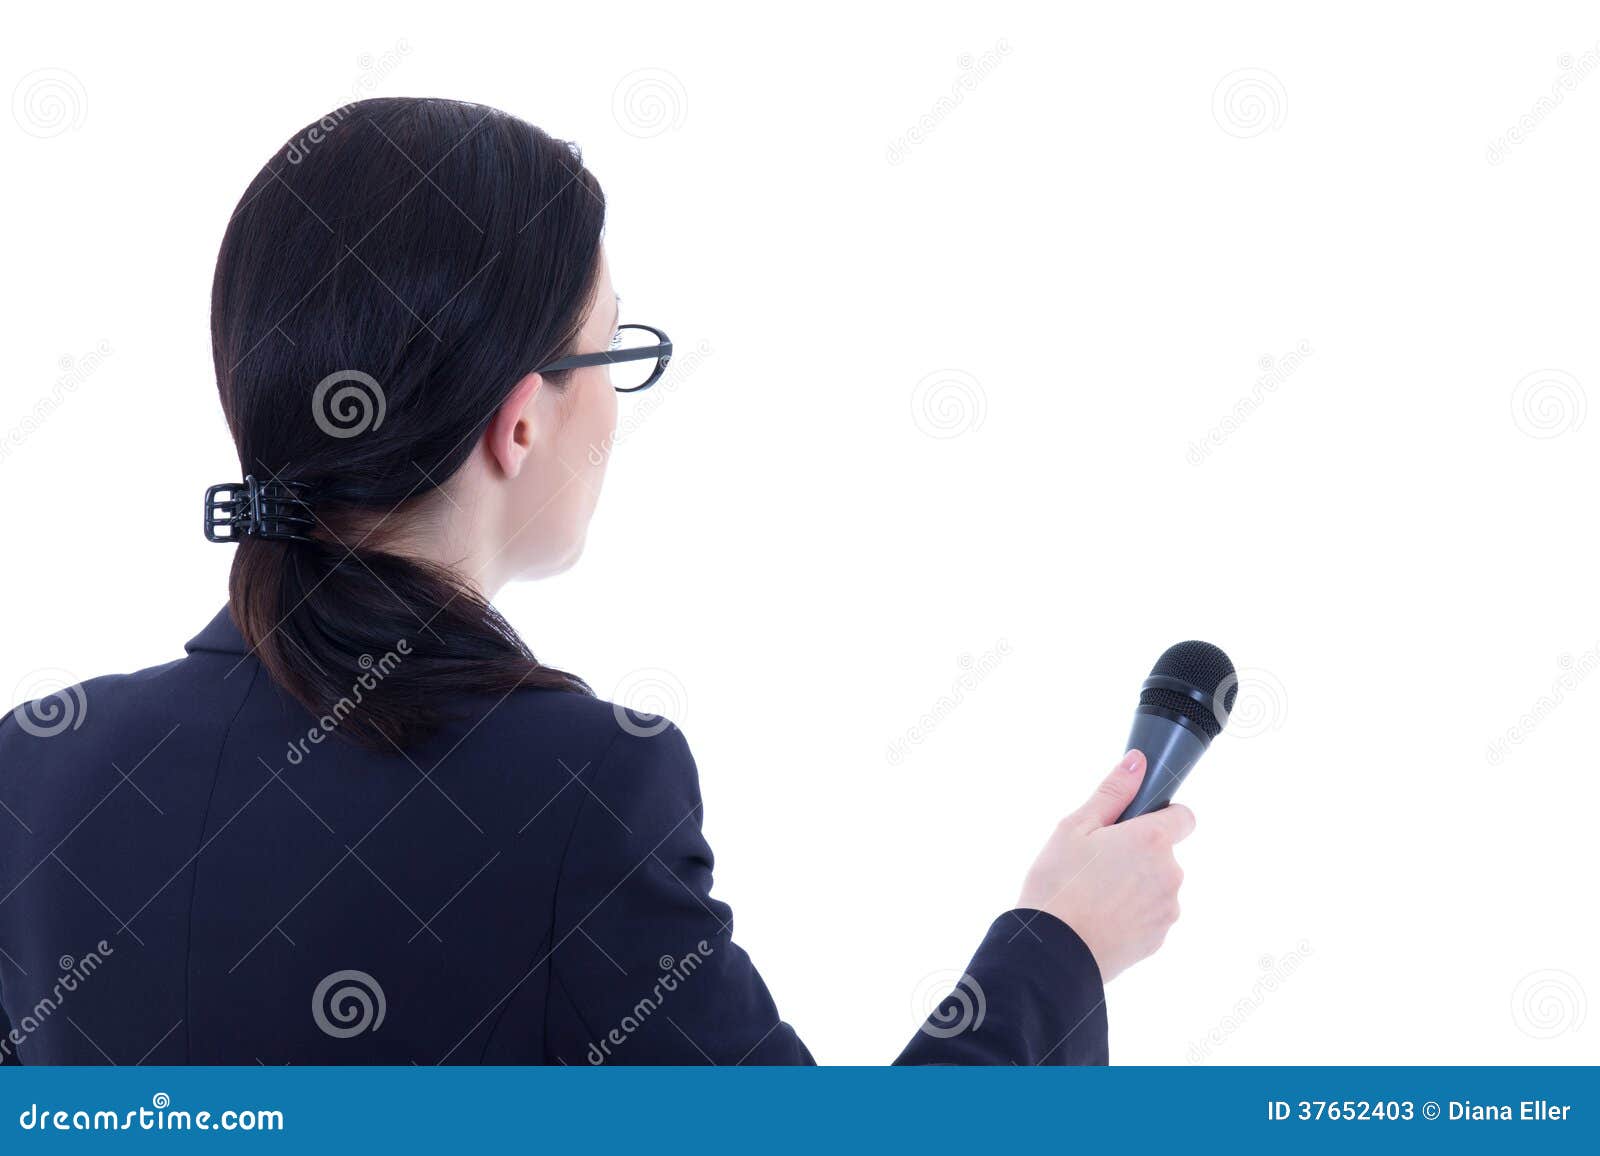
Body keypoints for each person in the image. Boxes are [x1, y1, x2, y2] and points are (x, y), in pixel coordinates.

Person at [0, 97, 1190, 1065]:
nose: (617, 405)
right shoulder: (577, 788)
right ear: (519, 422)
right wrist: (1061, 944)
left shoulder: (38, 766)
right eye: (610, 351)